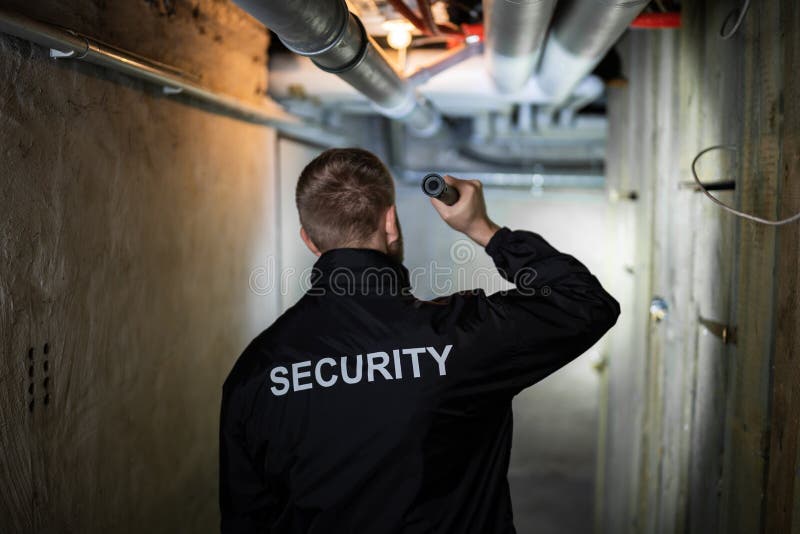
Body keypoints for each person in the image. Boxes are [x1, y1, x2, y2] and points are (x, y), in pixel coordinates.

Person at [219, 148, 620, 533]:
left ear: (310, 240)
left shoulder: (255, 371)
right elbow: (585, 303)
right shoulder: (461, 337)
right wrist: (483, 228)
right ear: (390, 222)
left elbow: (247, 519)